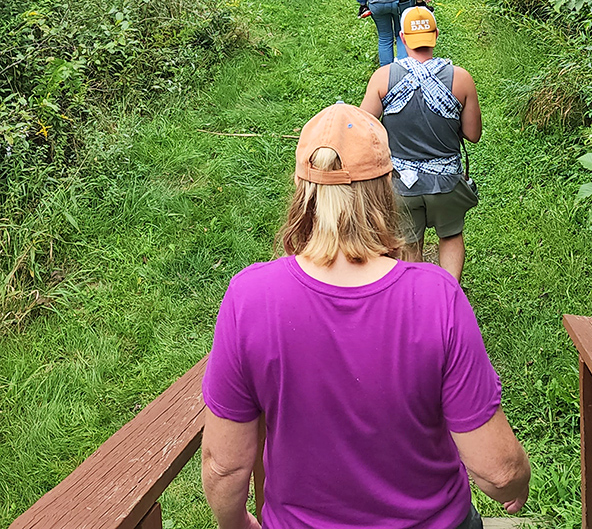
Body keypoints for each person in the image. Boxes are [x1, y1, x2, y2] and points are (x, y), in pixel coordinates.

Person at [202, 102, 530, 529]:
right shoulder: (436, 296)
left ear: (302, 187)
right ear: (386, 186)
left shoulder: (249, 297)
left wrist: (238, 524)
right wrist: (516, 486)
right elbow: (498, 469)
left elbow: (224, 466)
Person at [361, 7, 482, 280]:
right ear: (435, 35)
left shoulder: (383, 78)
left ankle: (416, 298)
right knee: (451, 235)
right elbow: (473, 135)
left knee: (409, 242)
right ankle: (450, 295)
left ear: (403, 38)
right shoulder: (460, 78)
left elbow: (364, 129)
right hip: (447, 183)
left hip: (401, 185)